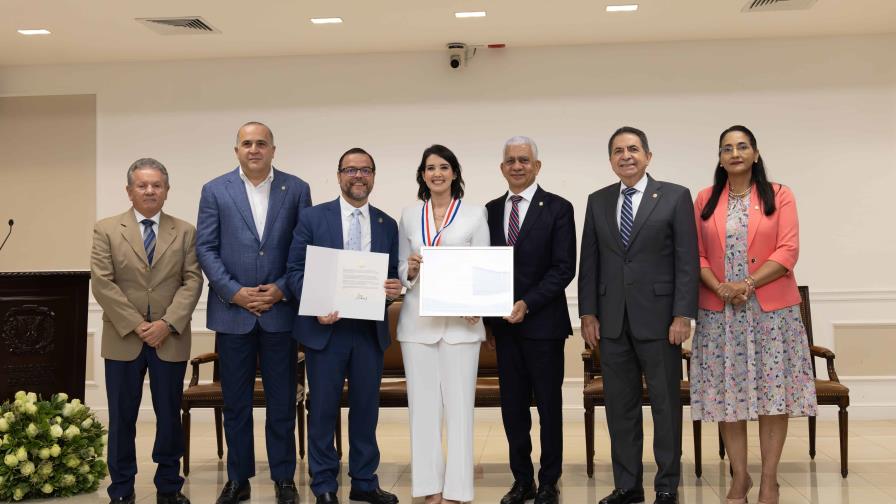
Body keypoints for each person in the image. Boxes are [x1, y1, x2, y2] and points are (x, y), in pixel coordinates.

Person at [691, 125, 817, 504]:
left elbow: (787, 251)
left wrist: (744, 284)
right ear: (719, 157)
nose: (735, 153)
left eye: (742, 146)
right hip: (719, 314)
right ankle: (740, 477)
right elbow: (694, 254)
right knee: (728, 396)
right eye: (726, 148)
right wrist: (720, 287)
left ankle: (769, 480)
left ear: (756, 154)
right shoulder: (704, 199)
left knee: (772, 395)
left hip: (771, 314)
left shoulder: (781, 195)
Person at [578, 127, 699, 504]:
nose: (625, 155)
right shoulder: (597, 201)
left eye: (633, 149)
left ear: (648, 156)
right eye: (618, 151)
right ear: (611, 159)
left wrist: (683, 313)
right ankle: (628, 486)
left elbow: (686, 259)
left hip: (662, 322)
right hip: (611, 323)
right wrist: (588, 313)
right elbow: (590, 262)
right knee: (620, 408)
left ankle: (666, 485)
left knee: (665, 406)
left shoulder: (675, 196)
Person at [196, 122, 311, 504]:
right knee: (236, 402)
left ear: (274, 149)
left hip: (281, 312)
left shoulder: (296, 189)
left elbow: (303, 248)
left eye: (262, 143)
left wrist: (281, 288)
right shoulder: (215, 190)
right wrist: (234, 292)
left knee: (282, 400)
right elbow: (206, 249)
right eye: (247, 143)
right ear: (236, 151)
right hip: (233, 314)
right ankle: (238, 478)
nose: (254, 149)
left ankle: (283, 478)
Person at [286, 147, 401, 504]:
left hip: (368, 331)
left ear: (373, 177)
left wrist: (393, 288)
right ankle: (324, 485)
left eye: (365, 170)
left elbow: (392, 277)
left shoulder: (386, 223)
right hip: (326, 330)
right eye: (351, 170)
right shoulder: (312, 218)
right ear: (339, 176)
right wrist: (317, 304)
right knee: (322, 408)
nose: (358, 176)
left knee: (366, 409)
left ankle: (364, 481)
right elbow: (294, 272)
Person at [91, 158, 202, 504]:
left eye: (157, 185)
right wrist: (138, 325)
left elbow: (193, 280)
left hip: (170, 338)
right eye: (143, 185)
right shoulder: (106, 229)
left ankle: (169, 485)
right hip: (124, 338)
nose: (150, 190)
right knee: (122, 418)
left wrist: (166, 324)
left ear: (167, 191)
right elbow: (102, 283)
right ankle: (121, 488)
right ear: (129, 190)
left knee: (169, 416)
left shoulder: (184, 231)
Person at [485, 136, 576, 504]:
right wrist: (490, 321)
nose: (517, 166)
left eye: (524, 160)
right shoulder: (489, 211)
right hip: (504, 330)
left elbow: (563, 268)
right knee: (513, 409)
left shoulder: (558, 208)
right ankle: (522, 480)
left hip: (544, 325)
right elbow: (482, 270)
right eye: (511, 160)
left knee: (549, 407)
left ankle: (549, 480)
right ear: (502, 168)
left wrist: (527, 303)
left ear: (537, 166)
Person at [397, 145, 489, 504]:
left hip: (461, 327)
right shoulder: (408, 215)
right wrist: (411, 271)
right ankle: (428, 487)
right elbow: (400, 269)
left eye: (444, 167)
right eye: (430, 168)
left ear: (454, 173)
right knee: (422, 410)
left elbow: (483, 268)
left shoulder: (473, 213)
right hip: (417, 325)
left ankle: (458, 490)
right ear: (422, 175)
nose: (437, 173)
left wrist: (477, 306)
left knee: (460, 408)